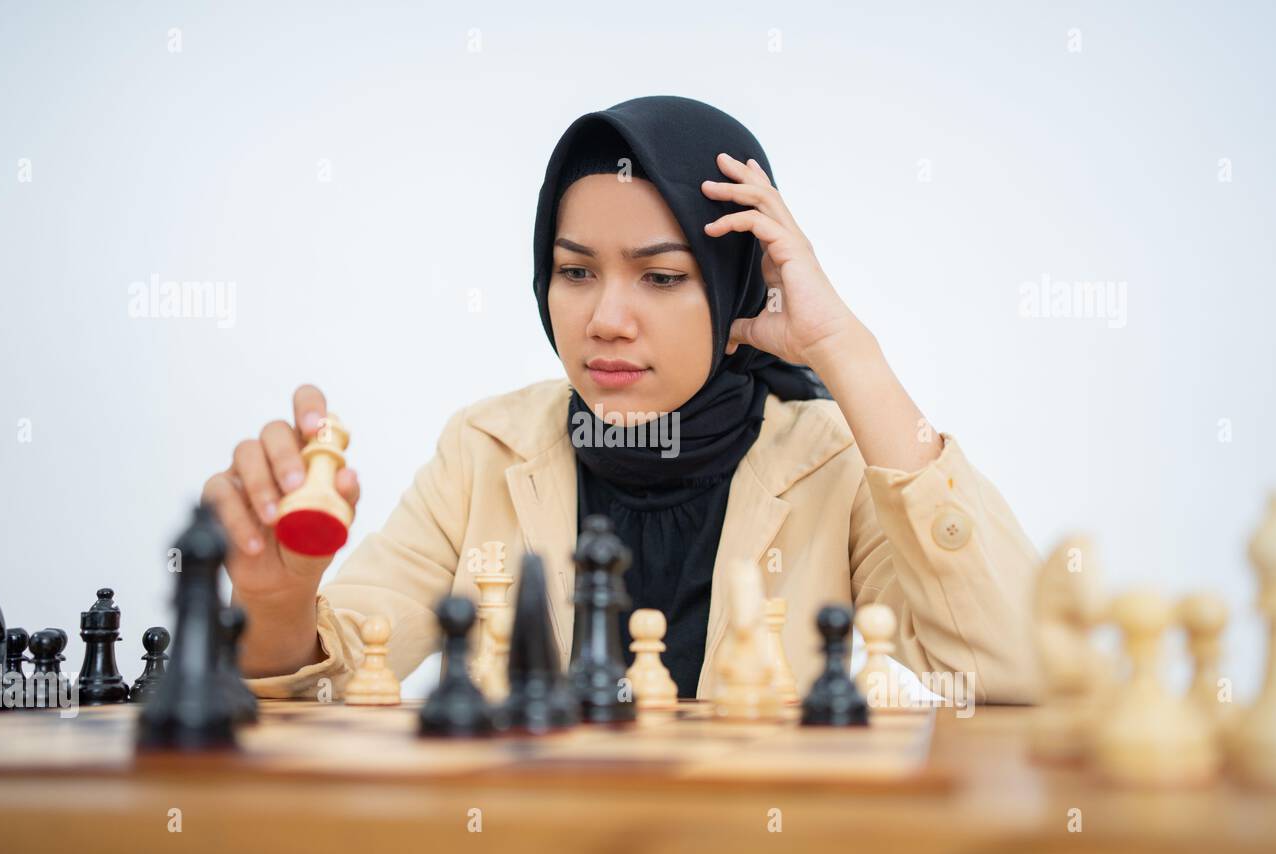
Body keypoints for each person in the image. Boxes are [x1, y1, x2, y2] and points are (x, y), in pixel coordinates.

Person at [202, 95, 1042, 705]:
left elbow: (1014, 665)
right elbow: (327, 681)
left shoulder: (833, 460)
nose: (605, 320)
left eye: (663, 277)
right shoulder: (484, 450)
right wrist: (278, 605)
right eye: (575, 272)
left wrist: (846, 349)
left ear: (736, 286)